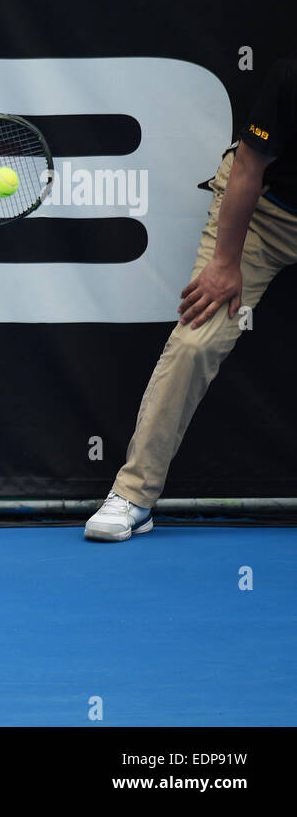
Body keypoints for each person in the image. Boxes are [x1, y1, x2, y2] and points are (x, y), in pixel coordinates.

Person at [86, 55, 297, 541]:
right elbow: (248, 167)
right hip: (263, 217)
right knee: (198, 342)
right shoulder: (290, 76)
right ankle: (134, 495)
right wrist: (225, 264)